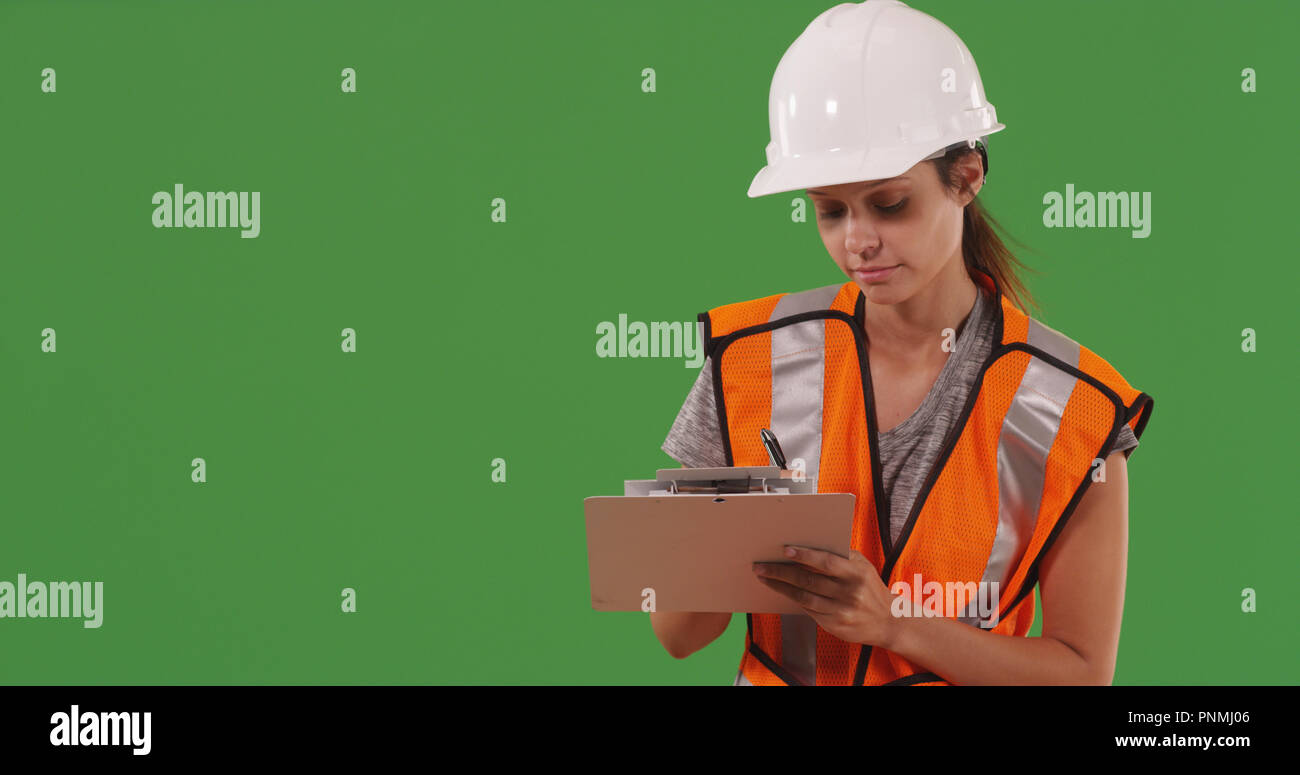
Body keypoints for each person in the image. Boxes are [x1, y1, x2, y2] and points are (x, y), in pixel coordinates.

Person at [649, 0, 1153, 685]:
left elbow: (1080, 673)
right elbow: (678, 634)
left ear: (967, 177)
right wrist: (730, 539)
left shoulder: (1074, 410)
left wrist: (892, 625)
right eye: (830, 210)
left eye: (889, 204)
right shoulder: (747, 365)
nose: (857, 240)